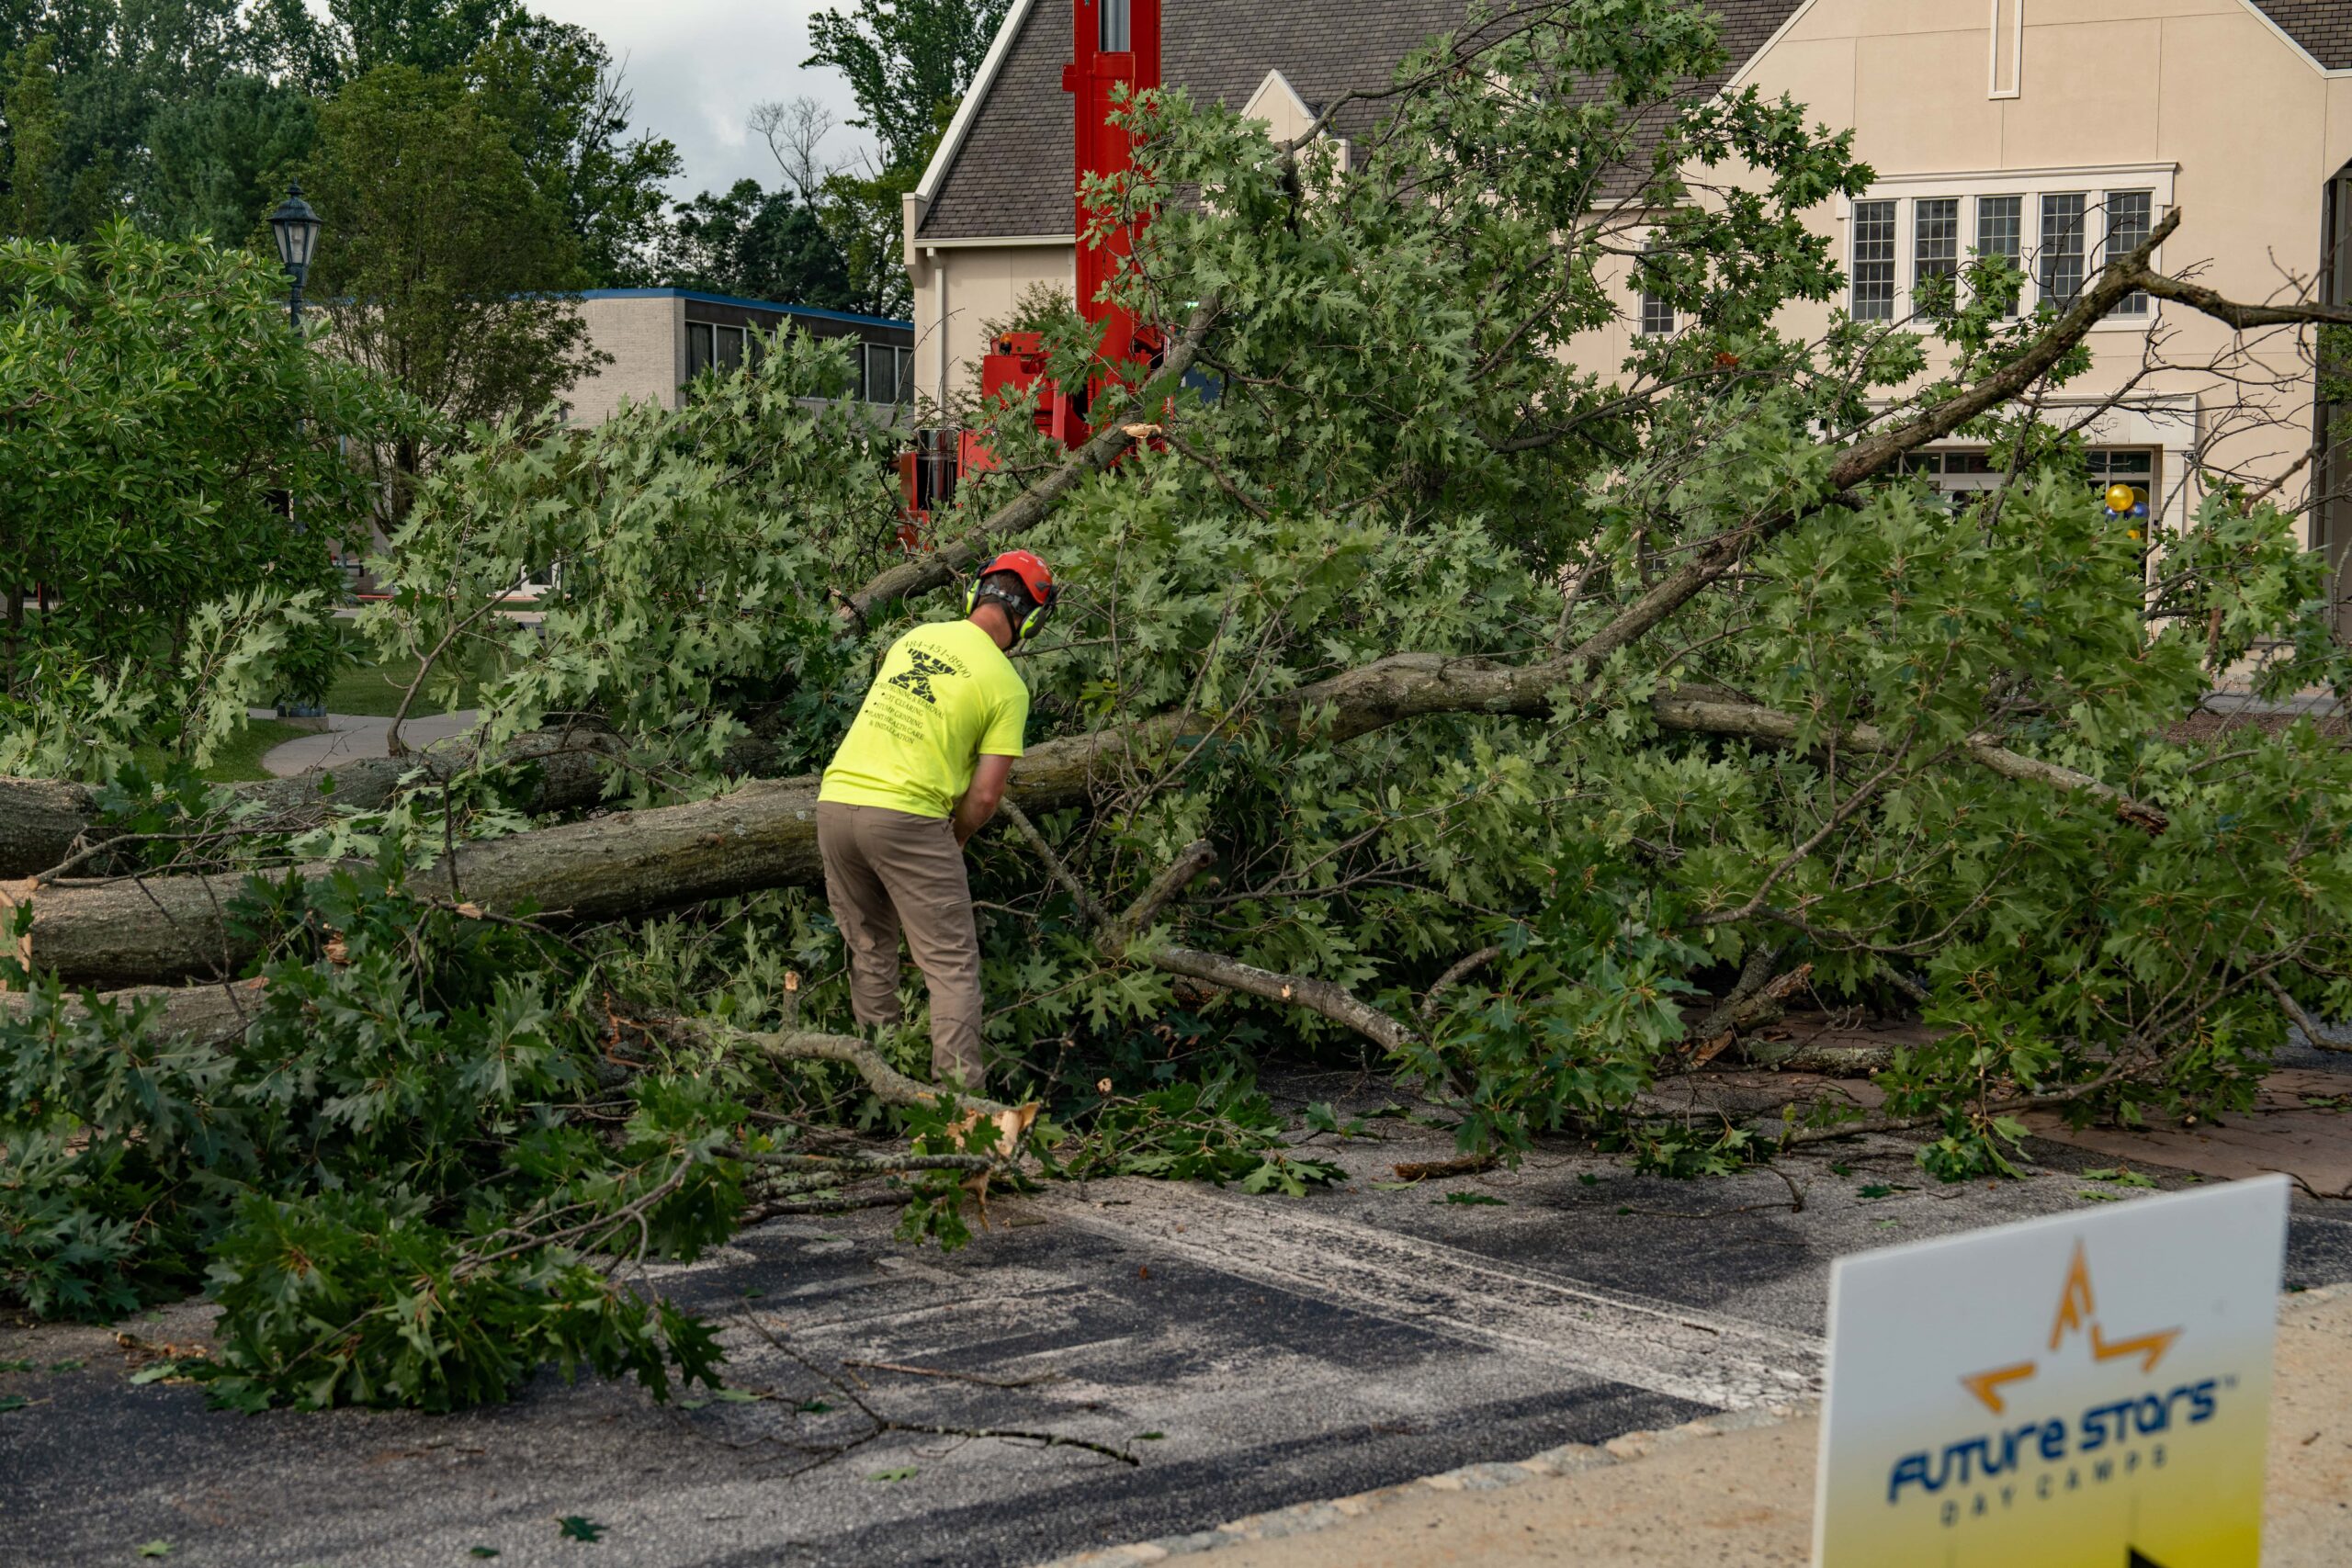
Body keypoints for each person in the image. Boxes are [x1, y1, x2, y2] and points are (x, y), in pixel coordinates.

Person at [815, 550, 1057, 1094]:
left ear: (975, 593)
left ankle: (882, 1091)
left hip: (835, 803)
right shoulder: (1007, 686)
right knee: (950, 965)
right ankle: (958, 1107)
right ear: (1032, 622)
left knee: (871, 952)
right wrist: (957, 836)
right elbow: (986, 795)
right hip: (908, 817)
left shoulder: (916, 638)